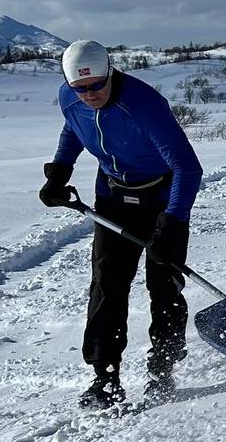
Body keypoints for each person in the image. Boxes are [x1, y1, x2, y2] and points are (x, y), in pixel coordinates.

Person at [39, 40, 203, 410]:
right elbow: (73, 128)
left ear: (111, 71)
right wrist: (60, 171)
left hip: (162, 199)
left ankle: (162, 368)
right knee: (107, 286)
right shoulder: (70, 98)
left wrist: (172, 224)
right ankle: (105, 378)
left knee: (163, 285)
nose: (89, 94)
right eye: (80, 88)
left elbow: (187, 168)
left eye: (97, 85)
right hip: (113, 198)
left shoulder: (144, 104)